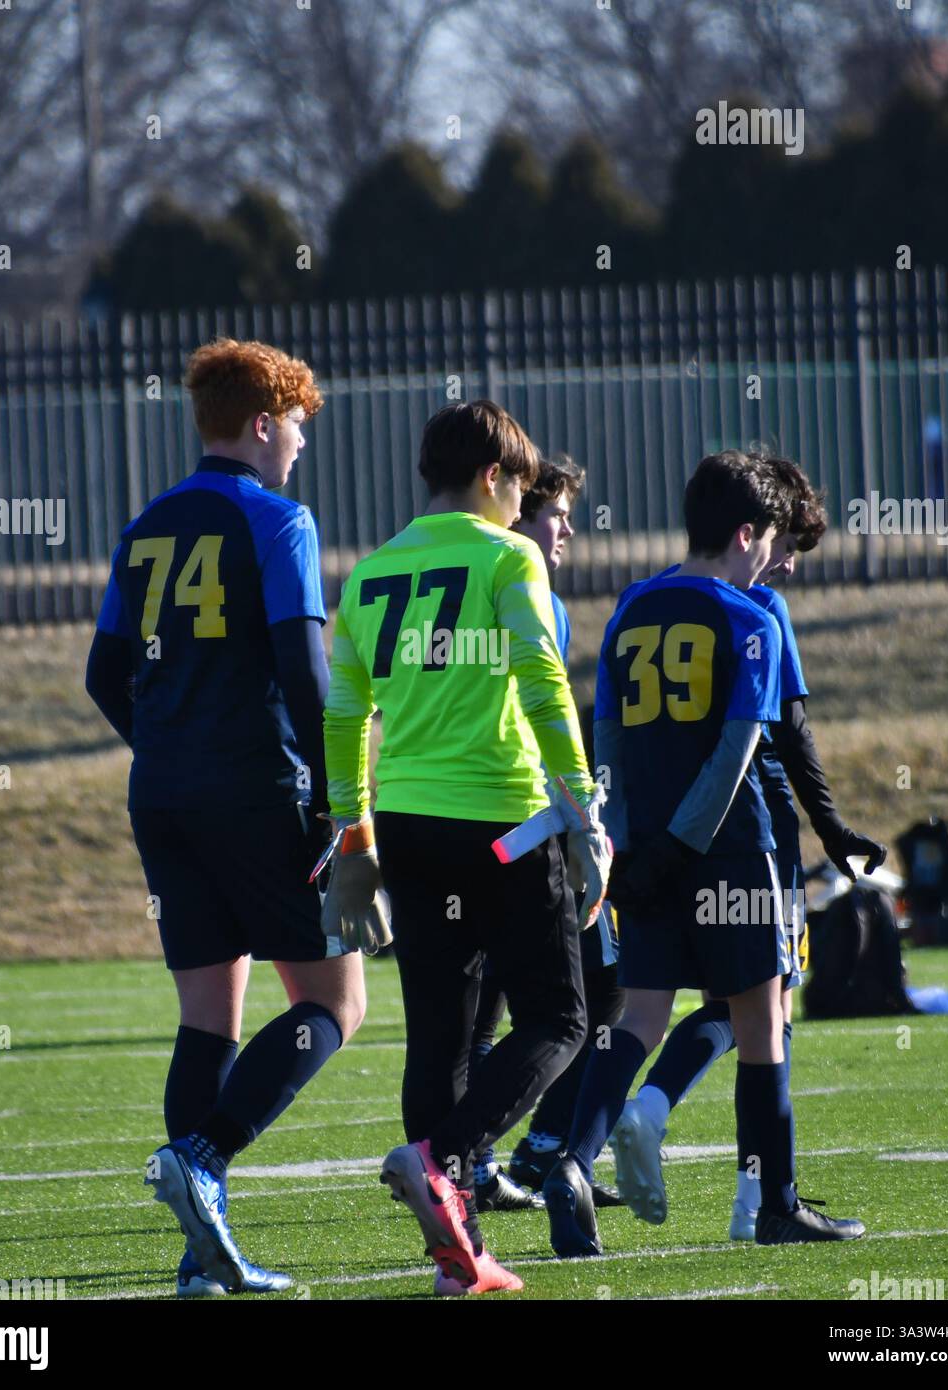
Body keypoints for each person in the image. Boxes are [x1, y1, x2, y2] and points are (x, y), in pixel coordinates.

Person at [85, 338, 366, 1296]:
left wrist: (168, 744)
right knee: (334, 1003)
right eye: (295, 425)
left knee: (208, 1017)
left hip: (164, 796)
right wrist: (337, 798)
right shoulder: (279, 521)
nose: (299, 444)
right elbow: (305, 670)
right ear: (260, 424)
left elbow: (101, 675)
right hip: (259, 790)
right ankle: (202, 1160)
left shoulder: (146, 523)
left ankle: (200, 1253)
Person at [543, 449, 865, 1256]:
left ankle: (573, 1163)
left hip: (646, 845)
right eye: (771, 542)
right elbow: (734, 755)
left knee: (642, 1012)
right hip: (727, 849)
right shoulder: (750, 618)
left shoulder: (630, 607)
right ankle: (775, 1203)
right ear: (748, 533)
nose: (775, 560)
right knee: (759, 1021)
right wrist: (683, 845)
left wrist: (619, 837)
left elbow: (604, 735)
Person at [322, 401, 611, 1294]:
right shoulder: (507, 554)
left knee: (439, 1038)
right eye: (520, 487)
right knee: (562, 1019)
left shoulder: (371, 572)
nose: (522, 507)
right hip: (502, 820)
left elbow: (342, 715)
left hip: (407, 822)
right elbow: (541, 678)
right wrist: (586, 806)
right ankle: (440, 1162)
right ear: (495, 478)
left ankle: (460, 1254)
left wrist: (354, 833)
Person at [466, 453, 625, 1211]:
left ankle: (511, 1153)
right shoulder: (513, 580)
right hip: (516, 819)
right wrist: (579, 817)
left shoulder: (525, 588)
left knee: (571, 990)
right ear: (516, 511)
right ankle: (491, 1154)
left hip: (509, 815)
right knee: (561, 998)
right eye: (554, 513)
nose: (566, 529)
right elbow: (532, 712)